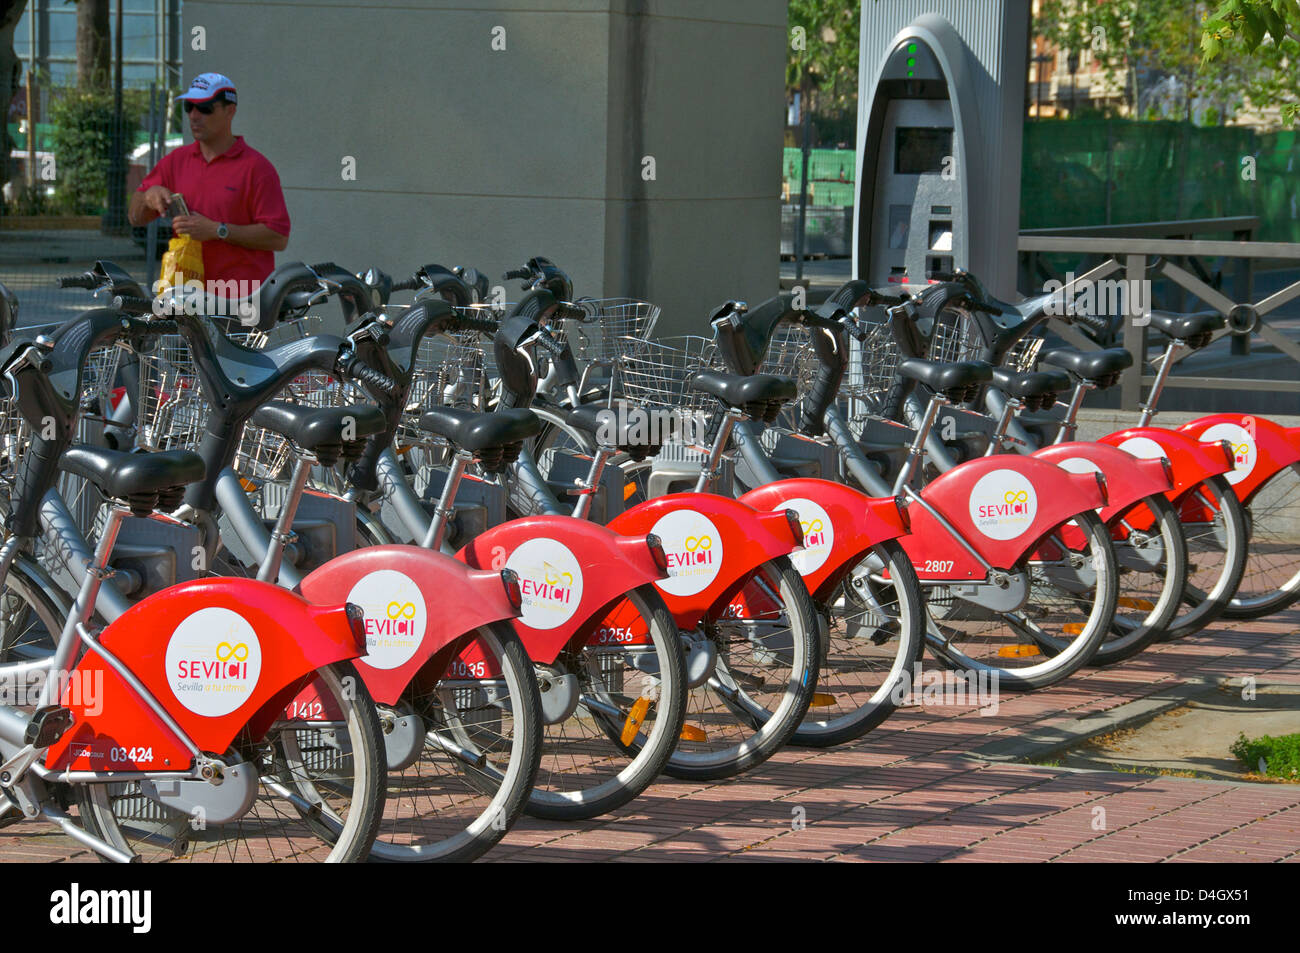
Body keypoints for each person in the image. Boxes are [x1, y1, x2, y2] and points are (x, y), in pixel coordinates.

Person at [128, 73, 291, 289]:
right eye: (189, 107)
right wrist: (148, 197)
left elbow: (278, 237)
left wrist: (218, 230)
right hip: (185, 297)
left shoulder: (257, 168)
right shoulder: (175, 161)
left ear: (229, 111)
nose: (194, 115)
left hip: (240, 302)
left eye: (205, 108)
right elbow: (134, 217)